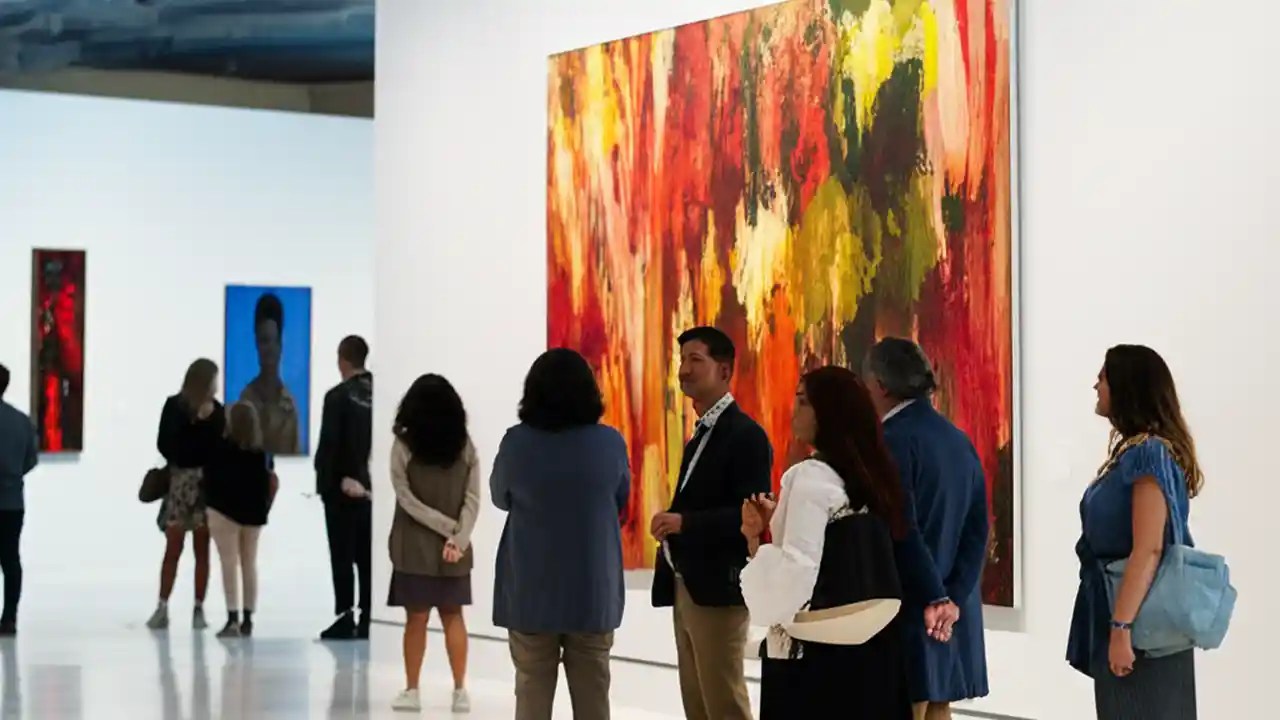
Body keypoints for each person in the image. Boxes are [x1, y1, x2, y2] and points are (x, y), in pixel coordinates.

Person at [740, 366, 912, 718]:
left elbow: (795, 577)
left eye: (803, 401)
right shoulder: (872, 477)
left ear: (828, 412)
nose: (793, 410)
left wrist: (757, 545)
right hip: (874, 652)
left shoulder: (809, 478)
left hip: (815, 664)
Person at [491, 349, 629, 720]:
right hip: (592, 591)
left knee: (531, 694)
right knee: (594, 698)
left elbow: (499, 496)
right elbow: (621, 500)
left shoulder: (516, 442)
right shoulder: (610, 443)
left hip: (530, 591)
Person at [1067, 345, 1201, 719]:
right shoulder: (1134, 452)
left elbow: (1149, 548)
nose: (1096, 385)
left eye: (1104, 377)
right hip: (1123, 612)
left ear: (1127, 387)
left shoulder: (1148, 454)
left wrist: (1122, 628)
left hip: (1141, 624)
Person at [865, 338, 990, 720]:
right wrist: (952, 599)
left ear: (881, 386)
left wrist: (934, 598)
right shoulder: (958, 440)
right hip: (949, 615)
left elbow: (903, 527)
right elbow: (978, 530)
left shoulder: (889, 441)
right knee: (939, 709)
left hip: (910, 611)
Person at [650, 326, 771, 720]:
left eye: (695, 360)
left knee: (723, 702)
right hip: (690, 583)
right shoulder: (702, 434)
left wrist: (685, 523)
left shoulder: (745, 435)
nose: (683, 369)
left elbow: (751, 512)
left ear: (724, 370)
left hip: (719, 587)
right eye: (682, 360)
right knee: (697, 702)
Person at [387, 374, 479, 714]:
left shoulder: (404, 445)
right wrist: (459, 536)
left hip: (414, 546)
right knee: (454, 615)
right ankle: (459, 691)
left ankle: (412, 690)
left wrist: (445, 529)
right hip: (455, 547)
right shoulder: (464, 445)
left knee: (417, 618)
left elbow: (405, 497)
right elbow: (473, 498)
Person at [149, 358, 224, 631]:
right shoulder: (176, 407)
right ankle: (164, 606)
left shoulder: (217, 412)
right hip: (185, 484)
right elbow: (165, 442)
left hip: (199, 485)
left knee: (200, 549)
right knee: (175, 547)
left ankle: (196, 607)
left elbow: (219, 448)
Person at [315, 335, 374, 640]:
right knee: (367, 556)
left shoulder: (337, 397)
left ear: (342, 359)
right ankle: (368, 616)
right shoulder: (380, 393)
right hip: (372, 490)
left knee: (342, 554)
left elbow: (329, 447)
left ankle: (345, 615)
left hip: (342, 490)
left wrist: (327, 483)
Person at [204, 401, 278, 638]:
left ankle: (232, 618)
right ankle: (248, 618)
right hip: (254, 513)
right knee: (249, 564)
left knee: (228, 564)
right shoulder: (262, 453)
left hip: (223, 512)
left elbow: (210, 480)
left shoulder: (219, 448)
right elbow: (271, 481)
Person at [0, 363, 38, 636]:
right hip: (12, 502)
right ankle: (9, 618)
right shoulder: (21, 421)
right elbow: (31, 460)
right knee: (11, 560)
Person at [238, 292, 301, 455]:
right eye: (264, 341)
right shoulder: (246, 400)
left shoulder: (290, 406)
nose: (269, 350)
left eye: (274, 340)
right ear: (257, 344)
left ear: (281, 344)